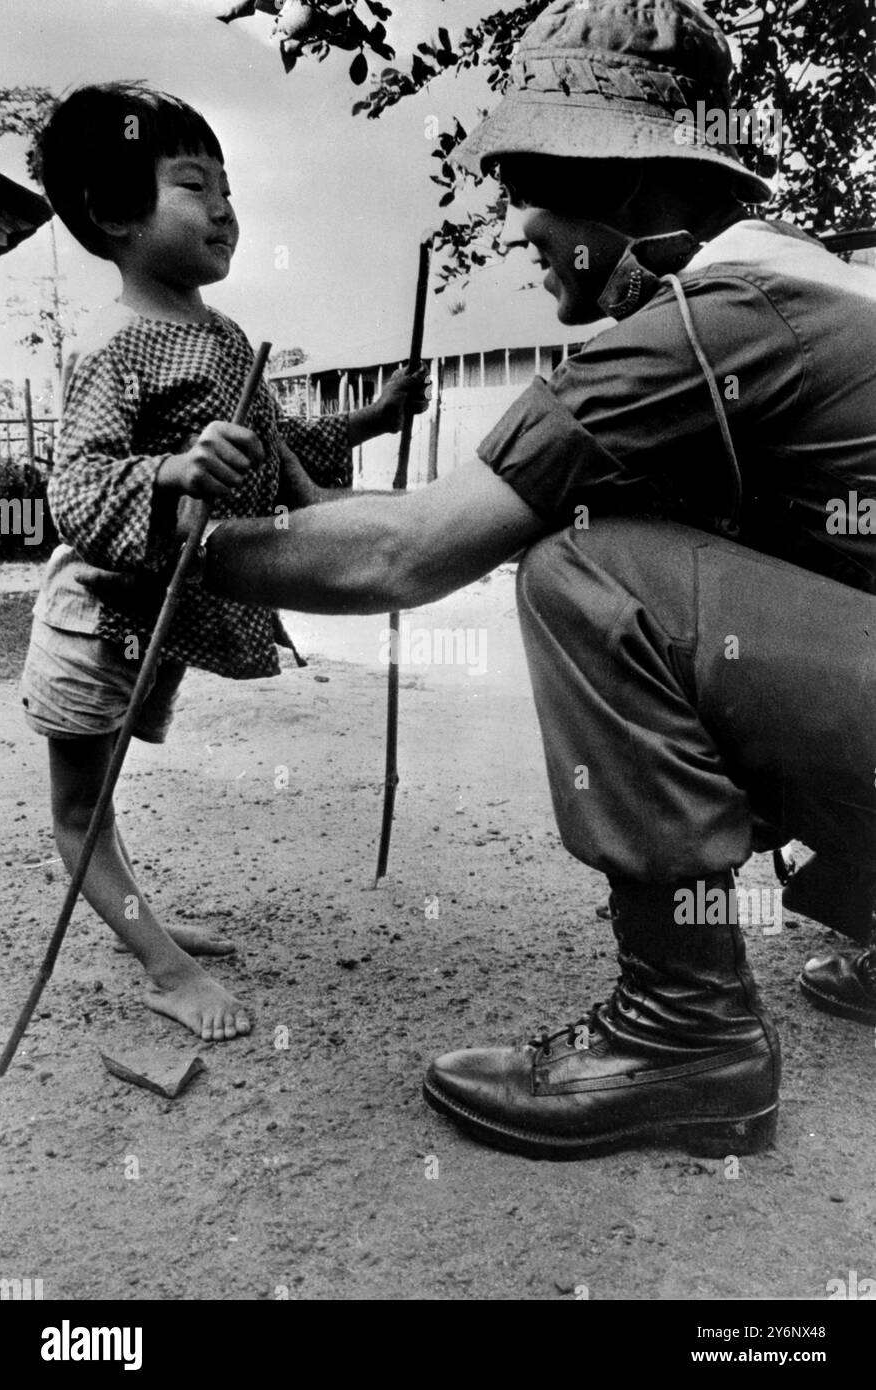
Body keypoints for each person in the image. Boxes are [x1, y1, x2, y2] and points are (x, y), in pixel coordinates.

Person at [194, 0, 876, 1158]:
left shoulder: (699, 332)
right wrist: (300, 512)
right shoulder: (795, 287)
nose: (511, 222)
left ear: (619, 186)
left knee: (590, 571)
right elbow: (429, 516)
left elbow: (415, 552)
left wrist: (191, 550)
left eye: (525, 180)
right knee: (649, 564)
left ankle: (685, 1034)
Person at [23, 82, 427, 1044]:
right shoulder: (112, 350)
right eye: (194, 186)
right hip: (97, 620)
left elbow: (284, 466)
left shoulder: (227, 338)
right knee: (81, 815)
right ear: (113, 214)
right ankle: (165, 971)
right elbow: (74, 491)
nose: (225, 209)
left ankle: (143, 922)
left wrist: (374, 421)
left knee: (105, 801)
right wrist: (170, 468)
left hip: (158, 627)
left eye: (229, 188)